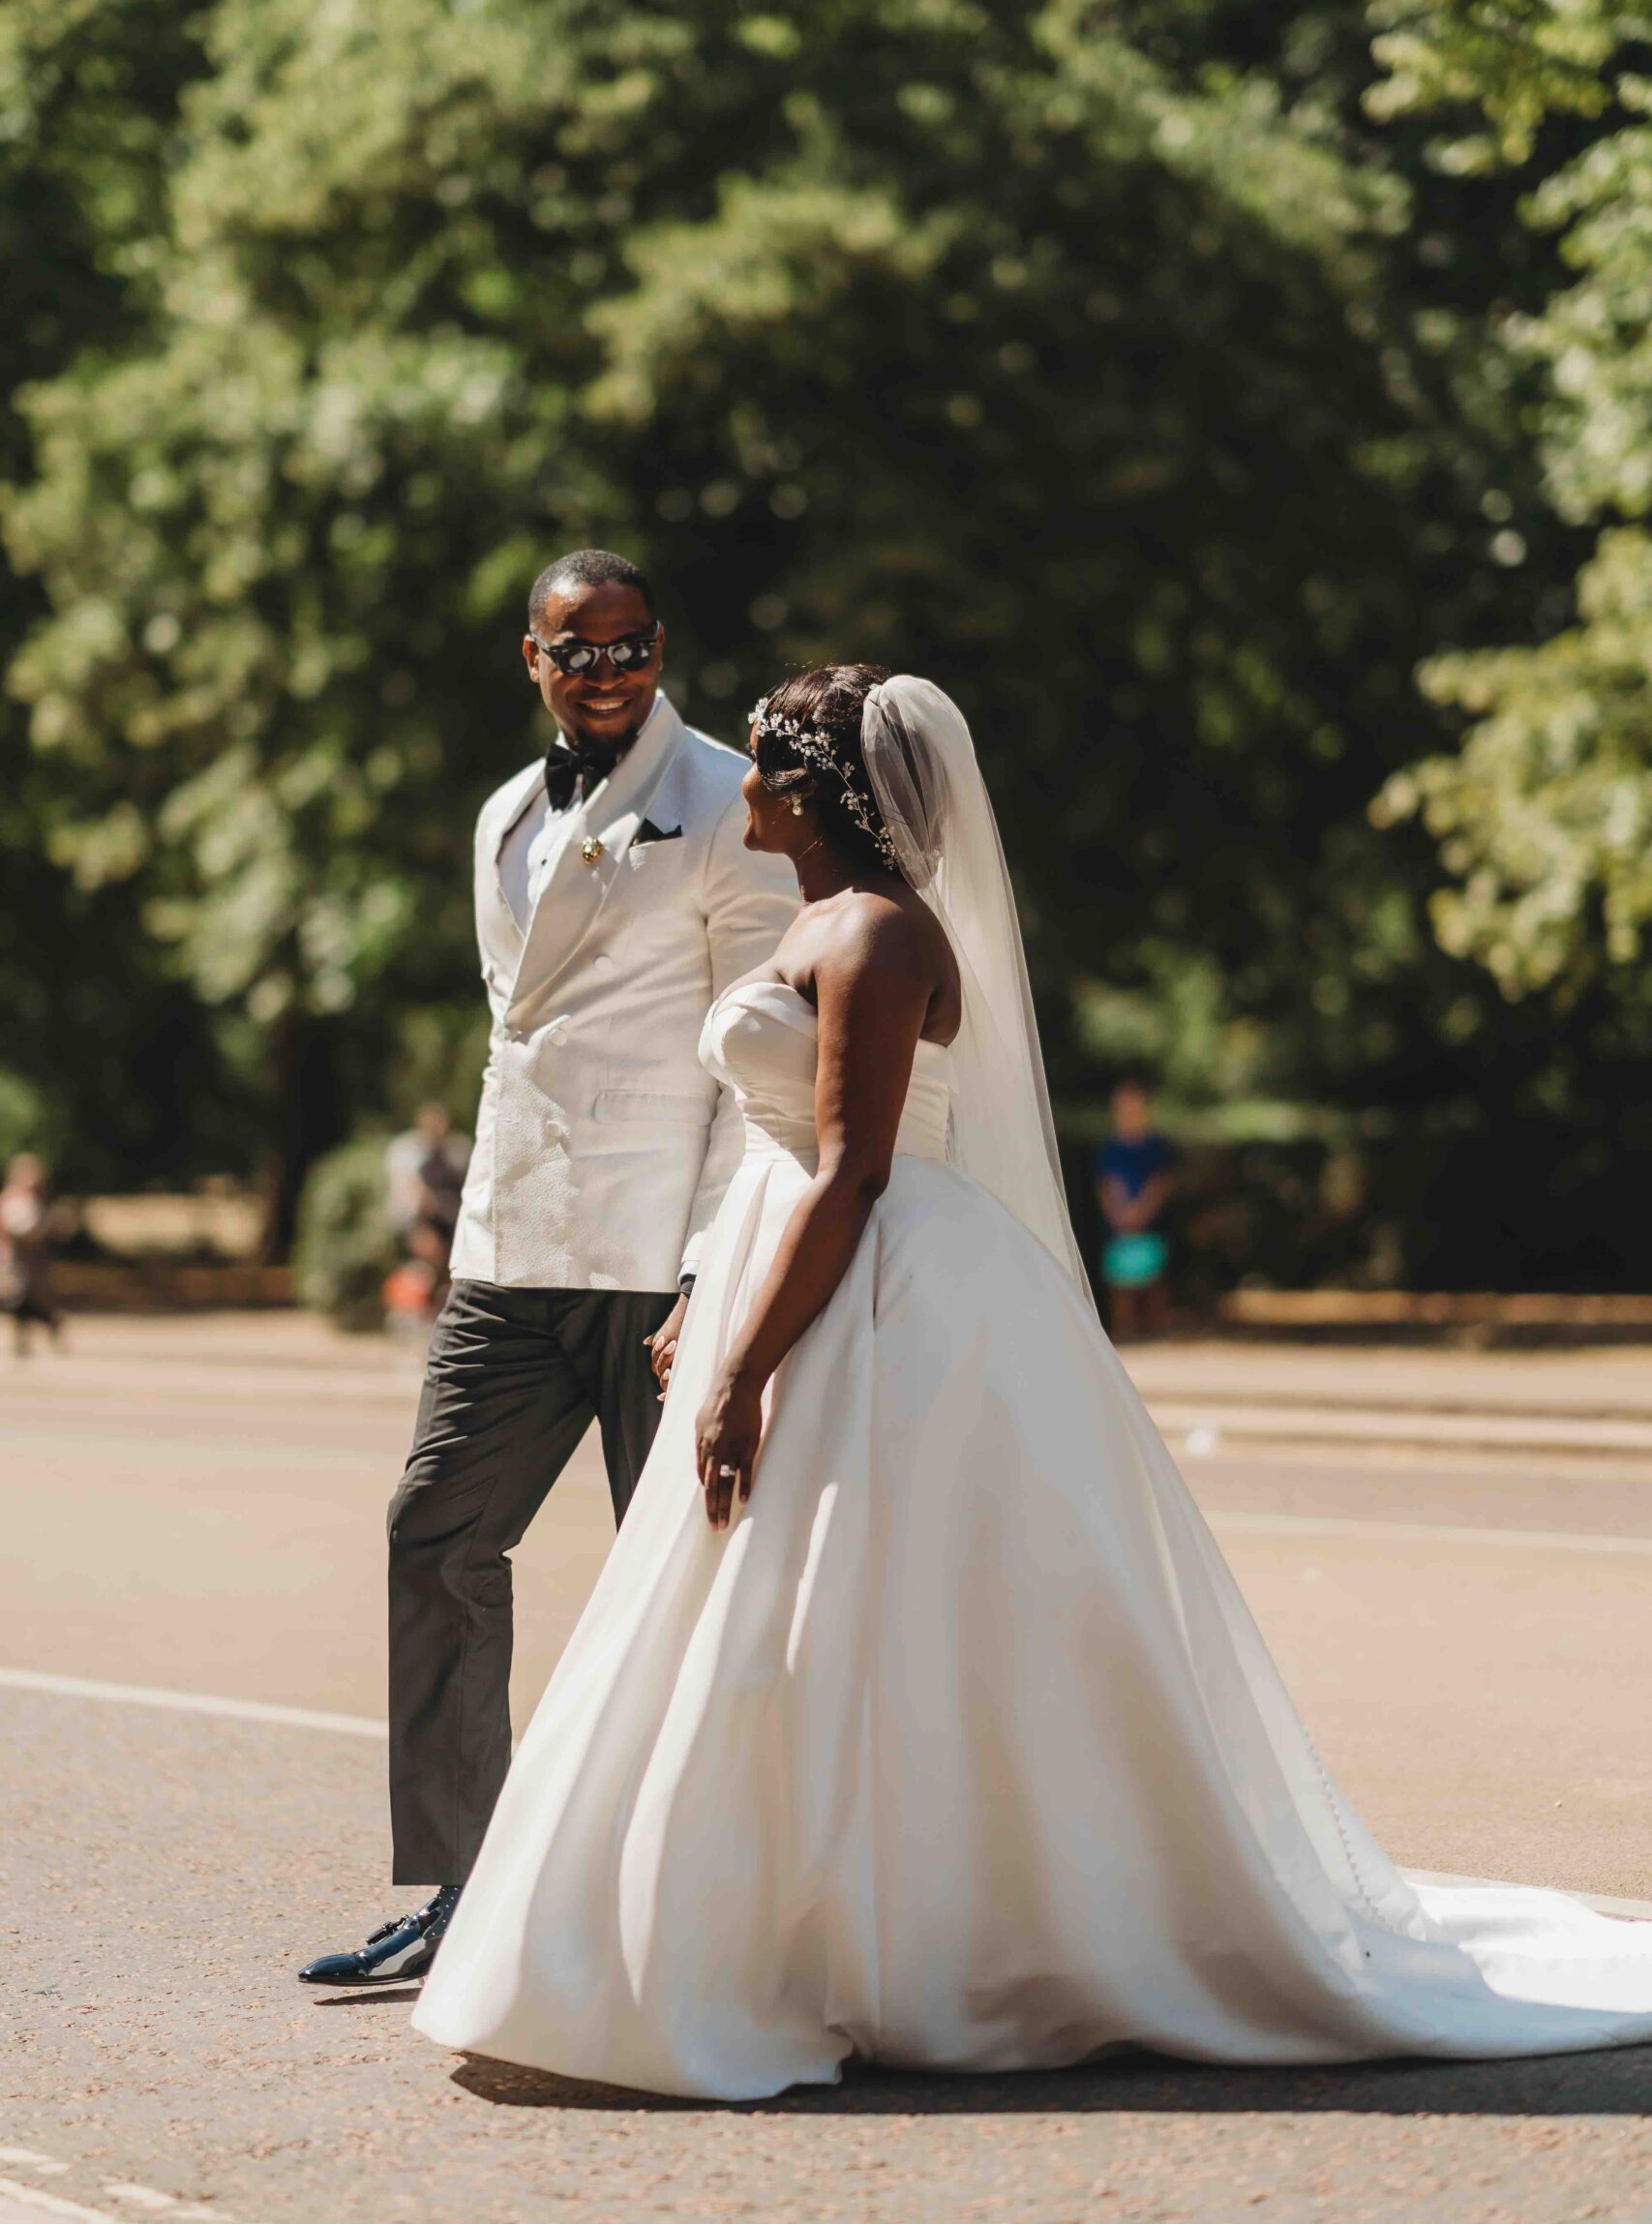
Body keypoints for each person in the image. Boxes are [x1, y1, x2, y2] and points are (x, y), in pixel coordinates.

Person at [414, 664, 1652, 2100]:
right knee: (788, 1622)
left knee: (872, 1612)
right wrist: (711, 1294)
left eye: (758, 765)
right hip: (791, 1261)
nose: (735, 786)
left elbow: (854, 1167)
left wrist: (749, 1362)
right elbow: (779, 1157)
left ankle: (915, 1945)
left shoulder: (876, 936)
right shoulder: (818, 918)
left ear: (814, 793)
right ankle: (791, 1926)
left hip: (883, 1290)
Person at [299, 551, 796, 1986]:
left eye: (629, 644)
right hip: (511, 1257)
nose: (606, 671)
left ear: (658, 645)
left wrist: (714, 1264)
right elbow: (515, 1039)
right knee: (432, 1530)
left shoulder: (726, 799)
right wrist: (475, 1238)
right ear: (532, 658)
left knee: (686, 1578)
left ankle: (708, 1908)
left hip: (660, 1259)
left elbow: (747, 1055)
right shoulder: (504, 815)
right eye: (576, 651)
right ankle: (468, 1894)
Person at [1096, 1076, 1176, 1337]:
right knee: (1120, 1285)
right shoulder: (1109, 1149)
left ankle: (1156, 1332)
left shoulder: (1156, 1147)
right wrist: (1118, 1215)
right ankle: (1126, 1333)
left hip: (1151, 1226)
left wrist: (1142, 1212)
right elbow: (1106, 1186)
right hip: (1118, 1227)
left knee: (1154, 1281)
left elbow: (1159, 1184)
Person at [384, 1102, 471, 1323]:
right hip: (417, 1221)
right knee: (421, 1270)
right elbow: (406, 1194)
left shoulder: (456, 1150)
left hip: (450, 1222)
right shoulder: (406, 1151)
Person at [0, 1154, 63, 1357]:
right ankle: (23, 1339)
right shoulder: (11, 1198)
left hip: (31, 1261)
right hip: (13, 1259)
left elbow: (38, 1231)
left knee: (29, 1301)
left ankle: (51, 1324)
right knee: (16, 1300)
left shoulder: (36, 1202)